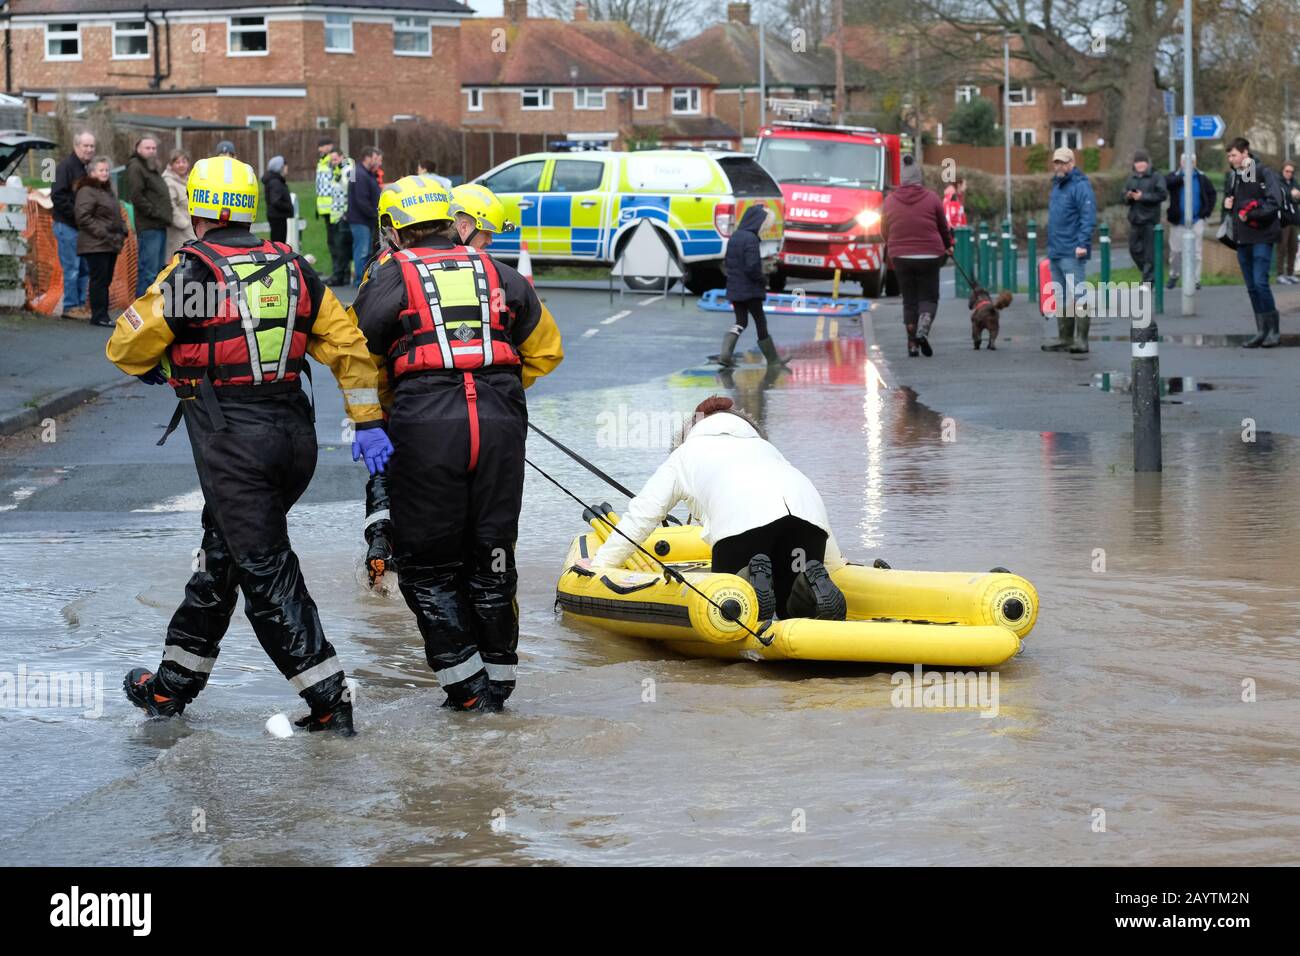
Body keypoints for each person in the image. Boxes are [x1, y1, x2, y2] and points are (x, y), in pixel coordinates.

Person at [105, 155, 392, 736]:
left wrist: (164, 360)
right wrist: (368, 421)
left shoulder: (195, 274)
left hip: (235, 448)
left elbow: (125, 346)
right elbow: (349, 348)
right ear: (248, 209)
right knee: (223, 559)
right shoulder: (295, 269)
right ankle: (170, 688)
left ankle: (331, 700)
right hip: (294, 442)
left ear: (202, 210)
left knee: (265, 573)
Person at [351, 176, 563, 711]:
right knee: (491, 556)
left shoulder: (389, 278)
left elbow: (356, 357)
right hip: (499, 428)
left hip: (426, 428)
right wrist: (498, 390)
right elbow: (546, 350)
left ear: (393, 230)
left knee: (425, 567)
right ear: (451, 221)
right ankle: (499, 687)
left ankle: (465, 691)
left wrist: (372, 417)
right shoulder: (503, 274)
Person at [583, 396, 847, 622]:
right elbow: (812, 507)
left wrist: (601, 564)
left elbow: (642, 516)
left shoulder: (686, 453)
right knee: (789, 608)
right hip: (807, 525)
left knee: (730, 606)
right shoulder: (768, 449)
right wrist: (835, 566)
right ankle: (808, 588)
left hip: (741, 523)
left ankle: (748, 582)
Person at [881, 154, 952, 357]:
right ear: (919, 177)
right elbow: (942, 227)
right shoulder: (932, 198)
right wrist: (948, 245)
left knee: (909, 300)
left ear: (902, 179)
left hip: (901, 256)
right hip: (930, 255)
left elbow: (883, 230)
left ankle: (912, 343)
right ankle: (924, 328)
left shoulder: (890, 201)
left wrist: (892, 243)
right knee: (929, 297)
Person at [1224, 137, 1283, 348]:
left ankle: (1273, 331)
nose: (1231, 159)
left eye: (1234, 155)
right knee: (1251, 287)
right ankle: (1261, 330)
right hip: (1243, 238)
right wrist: (1228, 204)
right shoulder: (1234, 177)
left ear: (1245, 153)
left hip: (1262, 235)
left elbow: (1274, 202)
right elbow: (1236, 206)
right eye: (1229, 156)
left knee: (1260, 282)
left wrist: (1252, 215)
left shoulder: (1262, 172)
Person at [1042, 146, 1097, 354]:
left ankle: (1082, 340)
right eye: (1056, 162)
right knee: (1060, 296)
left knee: (1078, 294)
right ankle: (1065, 338)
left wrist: (1082, 244)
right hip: (1056, 250)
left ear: (1072, 163)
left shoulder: (1081, 186)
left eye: (1063, 162)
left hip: (1072, 251)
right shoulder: (1057, 186)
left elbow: (1088, 217)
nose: (1059, 166)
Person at [717, 204, 780, 368]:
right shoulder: (751, 239)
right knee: (760, 322)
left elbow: (728, 263)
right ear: (758, 222)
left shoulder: (735, 236)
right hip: (750, 290)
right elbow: (752, 267)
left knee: (741, 321)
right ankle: (773, 361)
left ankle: (725, 354)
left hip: (735, 287)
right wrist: (762, 279)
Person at [73, 156, 128, 328]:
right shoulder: (87, 190)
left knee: (105, 280)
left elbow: (114, 214)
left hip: (109, 243)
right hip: (96, 244)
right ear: (92, 172)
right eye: (101, 170)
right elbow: (83, 217)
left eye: (106, 170)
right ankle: (99, 316)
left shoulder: (106, 190)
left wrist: (123, 228)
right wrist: (104, 233)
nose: (105, 173)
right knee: (99, 280)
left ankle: (102, 314)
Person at [51, 129, 95, 319]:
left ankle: (79, 305)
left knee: (84, 268)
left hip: (81, 228)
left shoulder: (85, 168)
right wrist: (78, 216)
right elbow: (57, 196)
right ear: (76, 146)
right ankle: (70, 306)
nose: (89, 149)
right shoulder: (65, 167)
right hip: (67, 226)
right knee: (72, 268)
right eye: (85, 145)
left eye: (92, 146)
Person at [122, 136, 173, 296]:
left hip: (159, 225)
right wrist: (155, 213)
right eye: (147, 148)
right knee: (149, 272)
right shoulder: (136, 167)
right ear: (138, 149)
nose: (151, 151)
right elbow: (136, 196)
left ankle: (151, 310)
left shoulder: (151, 167)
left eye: (153, 148)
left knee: (157, 271)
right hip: (149, 226)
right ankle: (140, 310)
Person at [1165, 152, 1215, 291]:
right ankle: (1174, 274)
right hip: (1178, 221)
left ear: (1195, 163)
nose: (1187, 164)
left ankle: (1195, 279)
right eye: (1184, 162)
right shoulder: (1174, 176)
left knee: (1196, 252)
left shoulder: (1202, 178)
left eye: (1191, 162)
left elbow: (1212, 194)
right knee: (1175, 251)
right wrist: (1181, 178)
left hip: (1196, 220)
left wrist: (1206, 212)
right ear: (1180, 162)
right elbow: (1166, 184)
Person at [1123, 150, 1168, 285]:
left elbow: (1162, 195)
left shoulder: (1156, 176)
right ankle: (1150, 273)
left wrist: (1143, 197)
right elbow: (1123, 194)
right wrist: (1128, 196)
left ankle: (1148, 281)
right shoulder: (1131, 178)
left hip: (1150, 220)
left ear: (1147, 163)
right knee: (1133, 249)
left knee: (1149, 252)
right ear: (1134, 164)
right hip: (1135, 219)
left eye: (1142, 162)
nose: (1140, 165)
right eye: (1137, 162)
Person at [346, 146, 382, 285]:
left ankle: (361, 279)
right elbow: (362, 200)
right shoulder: (360, 174)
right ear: (368, 157)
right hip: (360, 220)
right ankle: (360, 280)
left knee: (363, 250)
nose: (379, 163)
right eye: (377, 159)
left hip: (362, 219)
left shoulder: (364, 173)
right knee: (362, 251)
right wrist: (375, 215)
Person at [326, 148, 354, 285]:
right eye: (331, 159)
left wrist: (347, 213)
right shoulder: (337, 171)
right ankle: (344, 276)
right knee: (341, 247)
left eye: (335, 159)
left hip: (343, 216)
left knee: (341, 248)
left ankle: (339, 277)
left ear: (342, 157)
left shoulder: (347, 170)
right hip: (336, 216)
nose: (333, 162)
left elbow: (352, 188)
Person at [162, 149, 196, 259]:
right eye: (177, 162)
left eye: (184, 162)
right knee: (180, 261)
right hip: (179, 230)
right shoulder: (169, 181)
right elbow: (170, 205)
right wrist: (184, 224)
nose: (181, 165)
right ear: (171, 165)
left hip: (191, 227)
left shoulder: (189, 179)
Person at [262, 155, 294, 245]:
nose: (287, 167)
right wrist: (288, 207)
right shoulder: (275, 182)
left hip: (278, 216)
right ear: (280, 167)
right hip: (277, 217)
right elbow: (275, 201)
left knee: (279, 243)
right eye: (285, 165)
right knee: (279, 244)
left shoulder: (276, 180)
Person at [1277, 161, 1299, 285]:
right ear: (1282, 171)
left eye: (1291, 172)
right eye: (1287, 171)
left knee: (1293, 247)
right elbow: (1282, 197)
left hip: (1294, 219)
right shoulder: (1278, 182)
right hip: (1283, 220)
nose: (1289, 174)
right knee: (1282, 247)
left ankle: (1290, 273)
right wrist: (1291, 195)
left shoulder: (1294, 183)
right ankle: (1280, 274)